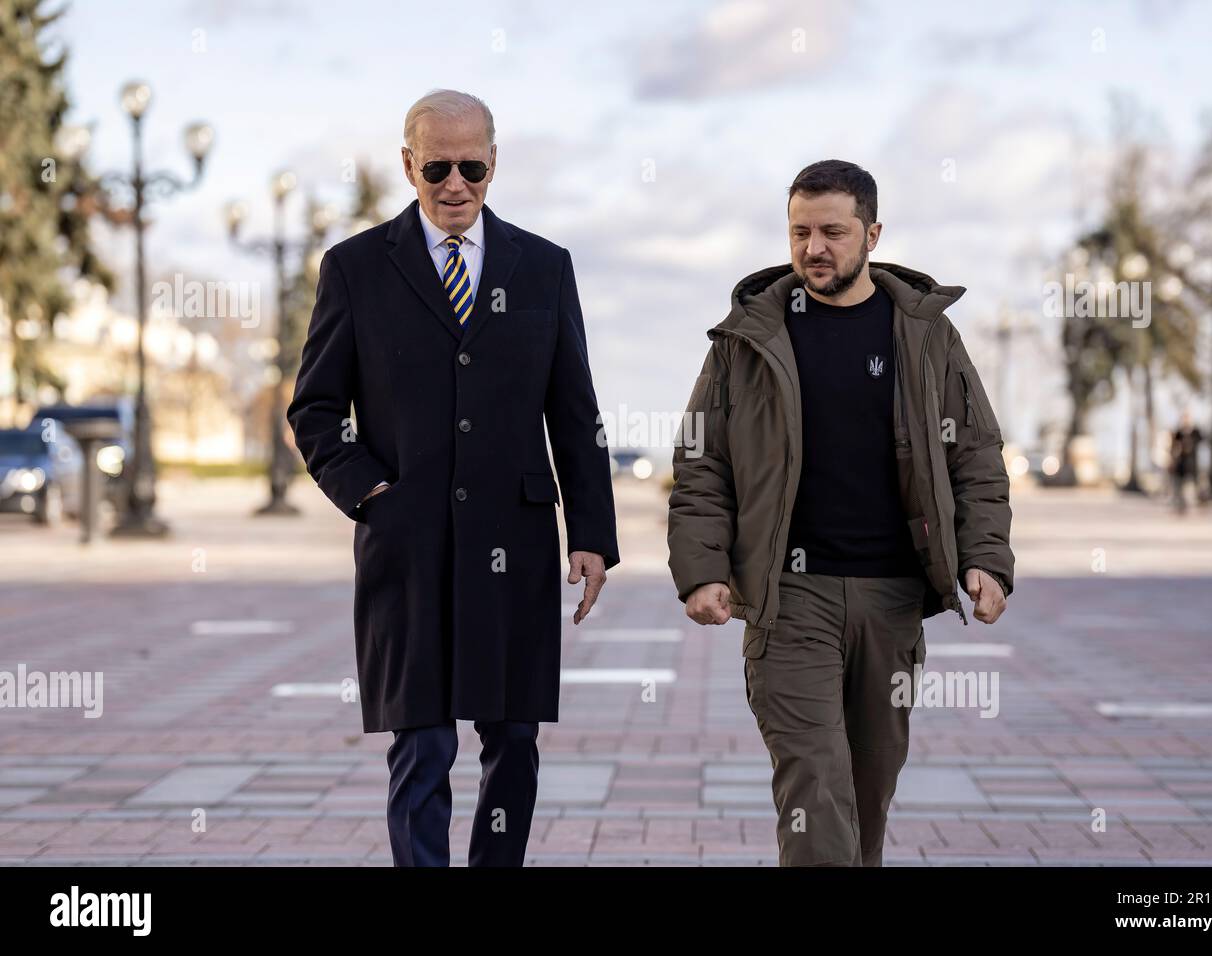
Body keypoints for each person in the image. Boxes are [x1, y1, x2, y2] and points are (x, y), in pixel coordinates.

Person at [287, 89, 618, 866]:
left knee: (513, 741)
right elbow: (315, 408)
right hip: (410, 549)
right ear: (409, 164)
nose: (455, 184)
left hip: (516, 544)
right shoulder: (356, 269)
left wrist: (594, 536)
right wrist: (369, 491)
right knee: (423, 743)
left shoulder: (544, 267)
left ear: (494, 163)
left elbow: (575, 415)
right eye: (437, 167)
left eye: (472, 166)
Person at [667, 160, 1014, 867]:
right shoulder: (747, 341)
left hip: (892, 603)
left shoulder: (925, 337)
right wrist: (701, 569)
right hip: (789, 603)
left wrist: (986, 559)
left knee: (865, 795)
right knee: (815, 794)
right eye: (799, 232)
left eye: (832, 231)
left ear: (873, 233)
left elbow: (974, 455)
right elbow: (702, 464)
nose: (813, 248)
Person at [1168, 410, 1203, 514]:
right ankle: (1181, 507)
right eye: (1184, 418)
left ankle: (1194, 506)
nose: (1185, 421)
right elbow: (1173, 447)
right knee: (1180, 487)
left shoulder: (1195, 432)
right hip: (1181, 466)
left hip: (1192, 465)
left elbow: (1201, 441)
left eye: (1187, 418)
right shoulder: (1178, 433)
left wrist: (1190, 443)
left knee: (1193, 487)